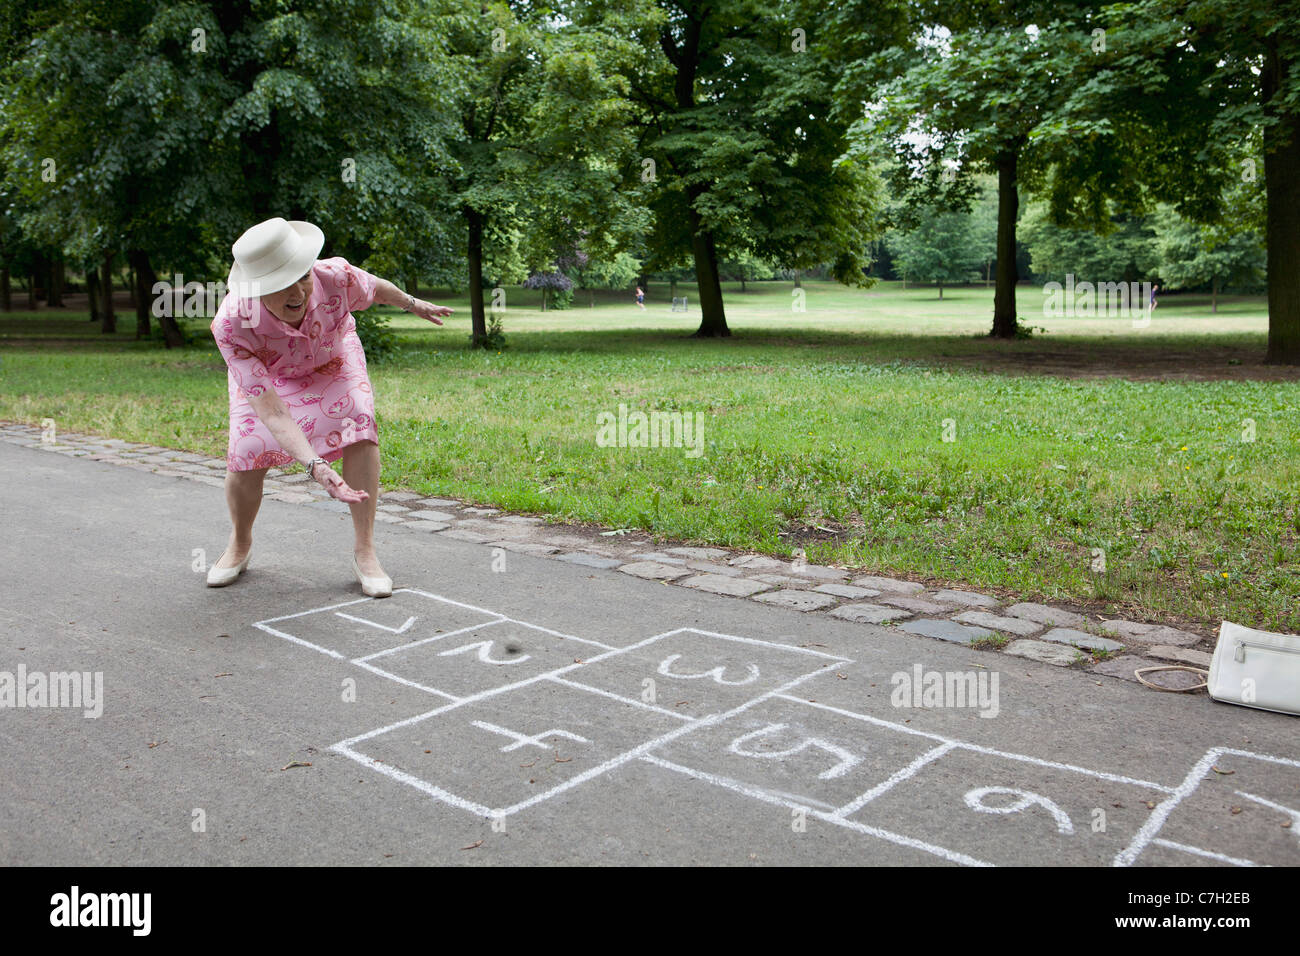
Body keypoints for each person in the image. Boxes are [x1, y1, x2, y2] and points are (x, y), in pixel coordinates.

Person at [207, 217, 452, 596]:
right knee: (246, 451)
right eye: (280, 284)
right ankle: (240, 543)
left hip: (333, 358)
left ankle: (365, 551)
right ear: (254, 290)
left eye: (301, 276)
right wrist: (316, 466)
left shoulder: (334, 276)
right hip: (271, 377)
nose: (298, 292)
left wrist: (412, 303)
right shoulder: (232, 324)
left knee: (360, 423)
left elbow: (377, 289)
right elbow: (271, 411)